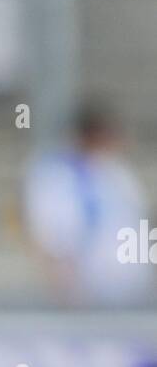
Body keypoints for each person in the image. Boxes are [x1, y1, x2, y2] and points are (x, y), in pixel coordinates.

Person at [22, 102, 154, 307]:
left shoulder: (118, 173)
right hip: (86, 294)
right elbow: (48, 235)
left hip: (130, 291)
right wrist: (62, 283)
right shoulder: (57, 174)